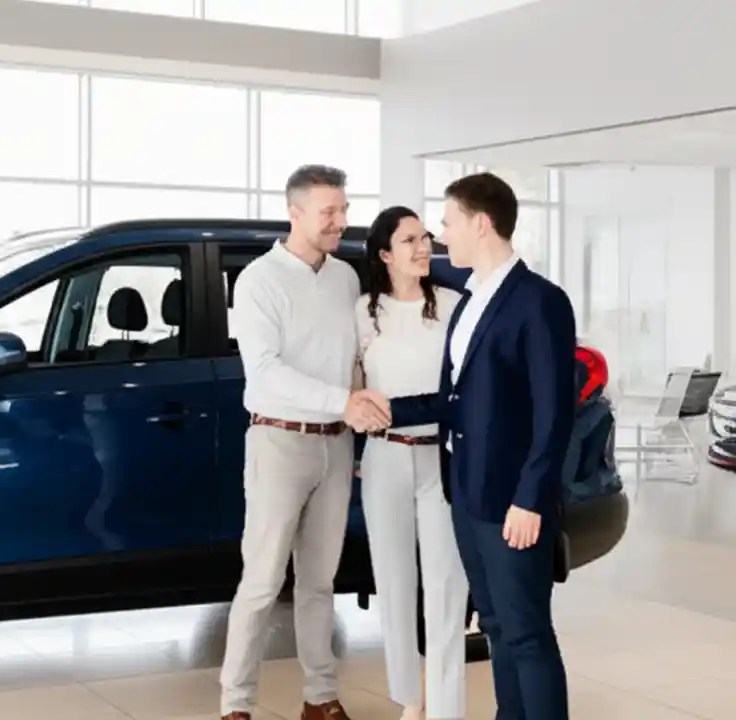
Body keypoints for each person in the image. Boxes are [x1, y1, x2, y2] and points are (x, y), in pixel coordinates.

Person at [375, 172, 576, 720]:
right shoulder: (469, 301)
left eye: (448, 222)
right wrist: (388, 409)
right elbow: (457, 400)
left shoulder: (539, 302)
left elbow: (554, 413)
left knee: (528, 633)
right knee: (495, 628)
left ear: (481, 223)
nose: (441, 236)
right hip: (467, 494)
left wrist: (531, 499)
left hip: (513, 502)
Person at [219, 164, 390, 720]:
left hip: (336, 447)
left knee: (320, 581)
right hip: (279, 441)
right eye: (330, 213)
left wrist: (360, 405)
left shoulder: (344, 278)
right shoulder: (259, 281)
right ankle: (236, 706)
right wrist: (342, 401)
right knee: (263, 581)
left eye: (343, 209)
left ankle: (321, 698)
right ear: (295, 214)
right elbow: (264, 374)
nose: (342, 221)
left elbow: (351, 359)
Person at [354, 207, 468, 720]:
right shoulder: (363, 311)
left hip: (442, 459)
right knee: (394, 582)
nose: (423, 247)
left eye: (426, 237)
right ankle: (411, 700)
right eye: (409, 240)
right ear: (384, 254)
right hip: (385, 458)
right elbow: (355, 384)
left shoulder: (454, 306)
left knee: (446, 584)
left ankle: (446, 706)